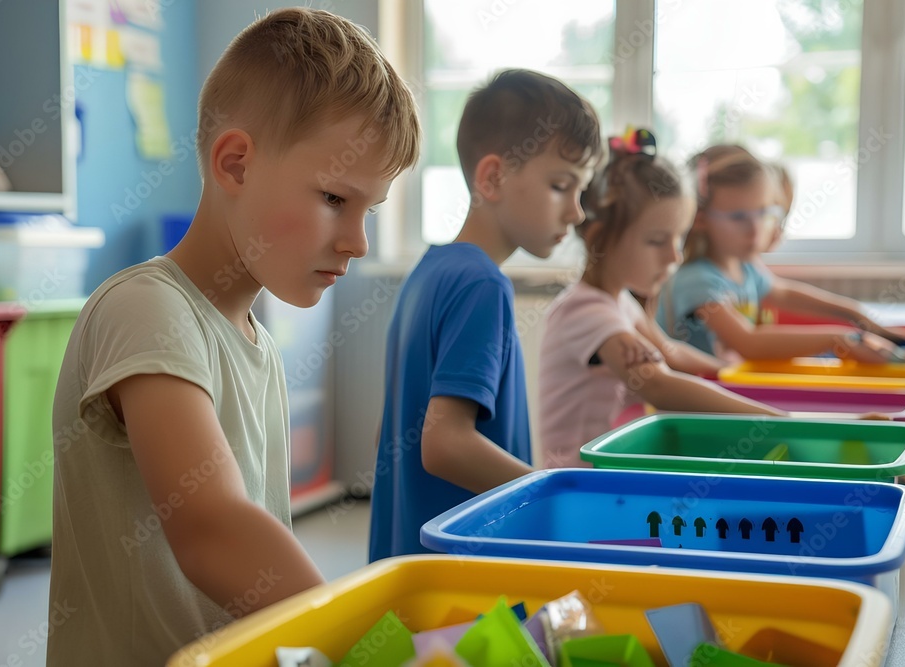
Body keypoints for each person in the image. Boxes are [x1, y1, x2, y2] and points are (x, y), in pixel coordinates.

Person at [46, 9, 420, 666]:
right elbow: (211, 527)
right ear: (236, 163)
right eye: (335, 198)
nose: (358, 241)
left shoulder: (256, 345)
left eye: (370, 210)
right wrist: (362, 642)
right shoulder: (145, 308)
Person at [368, 69, 602, 560]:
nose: (577, 213)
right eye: (561, 186)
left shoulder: (429, 272)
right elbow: (445, 444)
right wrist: (554, 492)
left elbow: (391, 432)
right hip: (462, 581)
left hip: (408, 567)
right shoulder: (482, 283)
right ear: (493, 177)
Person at [538, 130, 784, 468]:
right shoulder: (586, 310)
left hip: (608, 478)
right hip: (580, 484)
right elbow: (658, 384)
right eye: (656, 240)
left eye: (678, 238)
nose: (674, 256)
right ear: (600, 239)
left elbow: (669, 351)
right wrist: (781, 421)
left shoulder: (621, 301)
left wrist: (730, 374)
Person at [656, 144, 905, 363]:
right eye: (738, 217)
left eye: (764, 213)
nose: (756, 230)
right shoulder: (696, 280)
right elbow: (748, 342)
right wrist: (840, 338)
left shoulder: (745, 267)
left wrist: (855, 314)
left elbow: (784, 293)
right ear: (699, 218)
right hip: (690, 407)